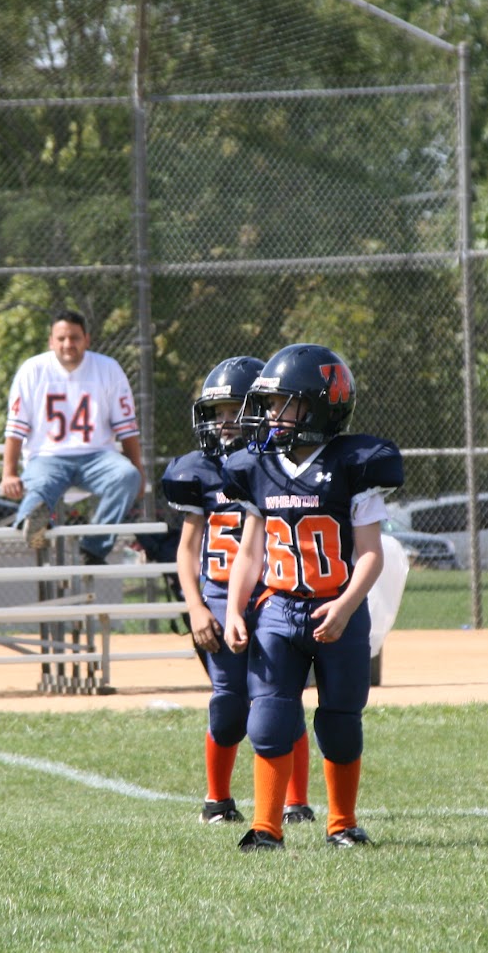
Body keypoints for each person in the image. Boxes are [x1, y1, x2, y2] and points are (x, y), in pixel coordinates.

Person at [222, 344, 403, 851]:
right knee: (269, 717)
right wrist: (236, 608)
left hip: (338, 609)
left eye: (284, 403)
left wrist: (345, 606)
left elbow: (371, 554)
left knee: (340, 718)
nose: (272, 415)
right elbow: (249, 554)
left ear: (321, 405)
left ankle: (342, 823)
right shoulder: (259, 467)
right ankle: (265, 826)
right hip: (278, 609)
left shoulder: (354, 465)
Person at [161, 356, 315, 827]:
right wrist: (195, 606)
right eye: (218, 412)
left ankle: (295, 801)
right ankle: (217, 800)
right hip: (218, 596)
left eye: (235, 410)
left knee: (280, 699)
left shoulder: (277, 467)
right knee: (228, 702)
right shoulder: (198, 471)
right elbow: (186, 550)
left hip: (270, 598)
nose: (225, 423)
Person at [0, 310, 143, 566]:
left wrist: (139, 470)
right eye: (62, 338)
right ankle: (33, 522)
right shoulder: (32, 370)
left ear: (87, 339)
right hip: (47, 456)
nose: (68, 344)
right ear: (51, 341)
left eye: (75, 338)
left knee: (127, 476)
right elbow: (16, 429)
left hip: (97, 456)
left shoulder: (108, 368)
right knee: (41, 483)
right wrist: (8, 472)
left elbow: (127, 429)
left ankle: (94, 549)